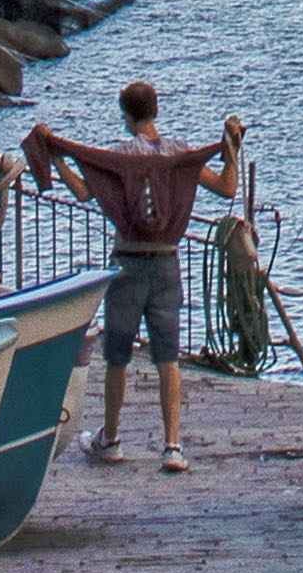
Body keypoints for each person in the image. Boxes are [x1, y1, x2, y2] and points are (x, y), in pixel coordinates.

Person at [28, 79, 247, 471]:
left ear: (126, 116)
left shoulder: (120, 157)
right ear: (156, 111)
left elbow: (82, 192)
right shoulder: (180, 156)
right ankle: (172, 445)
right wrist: (230, 147)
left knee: (117, 356)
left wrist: (58, 155)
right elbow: (228, 188)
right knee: (169, 356)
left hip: (128, 264)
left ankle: (110, 438)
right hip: (167, 262)